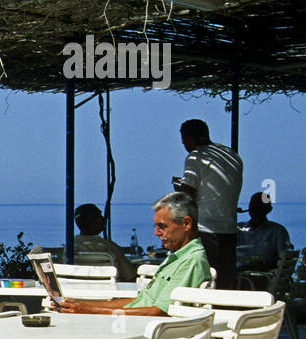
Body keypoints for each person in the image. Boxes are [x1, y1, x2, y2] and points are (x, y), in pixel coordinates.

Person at [52, 192, 211, 316]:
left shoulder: (191, 260)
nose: (156, 233)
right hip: (133, 323)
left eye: (162, 226)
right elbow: (141, 299)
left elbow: (159, 312)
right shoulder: (178, 257)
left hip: (144, 332)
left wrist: (89, 310)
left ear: (186, 224)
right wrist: (81, 305)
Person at [173, 118, 242, 289]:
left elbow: (188, 196)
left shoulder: (196, 157)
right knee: (225, 282)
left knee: (202, 281)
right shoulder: (232, 156)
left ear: (189, 139)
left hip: (205, 228)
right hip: (229, 228)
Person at [72, 203, 137, 282]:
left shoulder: (70, 247)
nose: (103, 219)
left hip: (78, 291)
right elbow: (130, 276)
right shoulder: (109, 247)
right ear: (92, 221)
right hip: (111, 292)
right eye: (100, 216)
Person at [237, 192, 291, 271]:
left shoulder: (277, 231)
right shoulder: (238, 229)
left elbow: (284, 260)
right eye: (253, 204)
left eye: (259, 205)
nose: (255, 207)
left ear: (268, 209)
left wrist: (257, 266)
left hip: (262, 279)